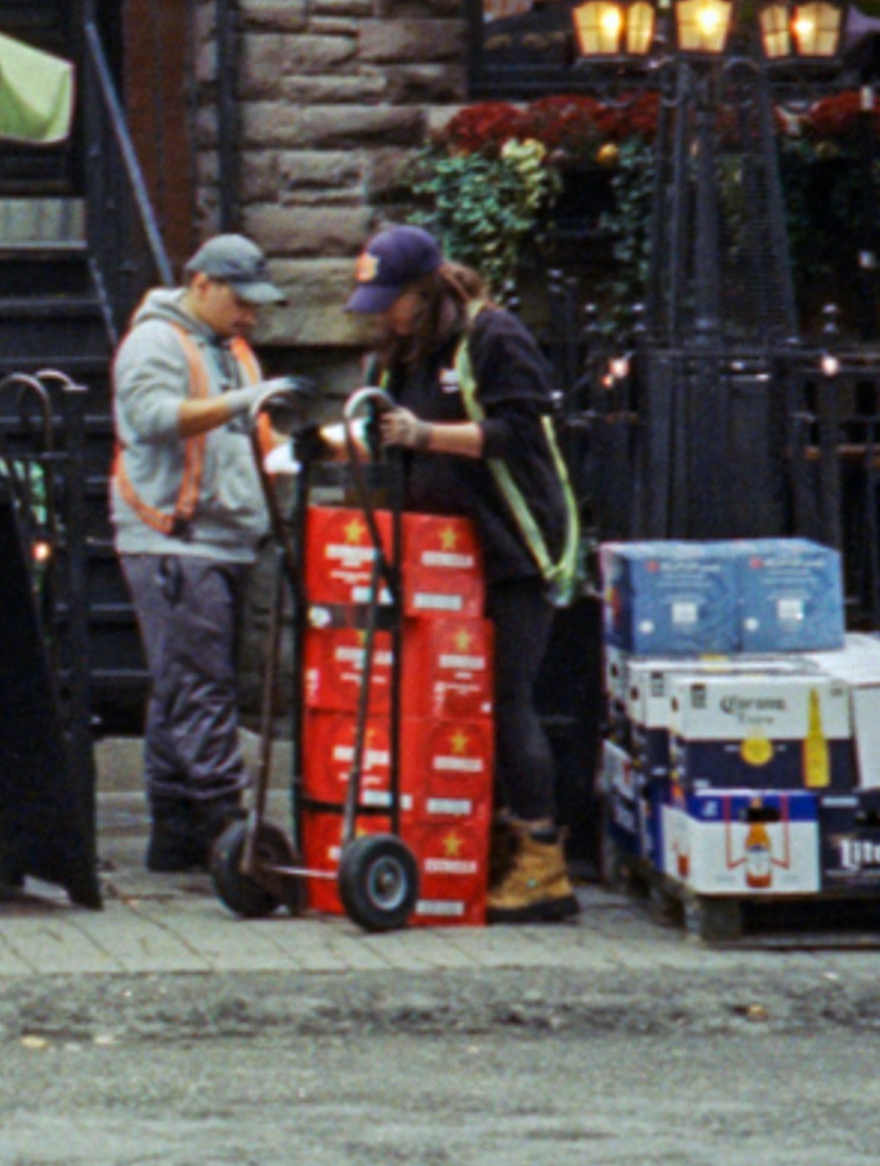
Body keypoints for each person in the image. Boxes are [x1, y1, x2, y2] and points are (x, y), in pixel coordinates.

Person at [318, 222, 587, 923]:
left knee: (506, 697)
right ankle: (481, 844)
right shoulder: (398, 357)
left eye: (392, 299)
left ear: (426, 289)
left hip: (510, 549)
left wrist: (425, 434)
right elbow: (380, 432)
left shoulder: (492, 338)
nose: (382, 313)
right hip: (438, 559)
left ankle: (541, 863)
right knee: (454, 706)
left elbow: (520, 432)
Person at [108, 233, 300, 879]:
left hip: (218, 536)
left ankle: (178, 833)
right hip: (176, 539)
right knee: (200, 688)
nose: (251, 315)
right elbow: (154, 418)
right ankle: (229, 827)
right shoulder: (154, 342)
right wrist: (245, 401)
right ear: (202, 284)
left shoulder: (233, 349)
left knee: (181, 686)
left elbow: (254, 436)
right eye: (241, 301)